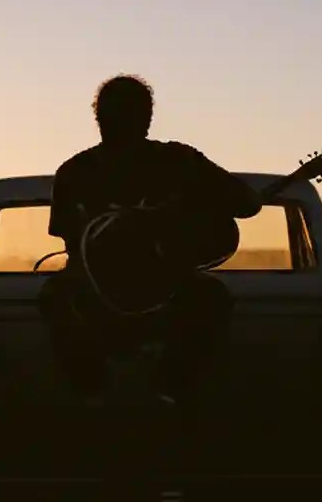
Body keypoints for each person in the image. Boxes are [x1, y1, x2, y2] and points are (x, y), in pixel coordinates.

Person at [39, 74, 262, 406]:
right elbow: (248, 203)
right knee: (56, 295)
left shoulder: (77, 170)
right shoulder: (177, 160)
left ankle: (111, 393)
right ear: (148, 118)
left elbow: (245, 203)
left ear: (98, 118)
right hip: (138, 293)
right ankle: (156, 391)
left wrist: (190, 208)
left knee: (55, 294)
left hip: (149, 290)